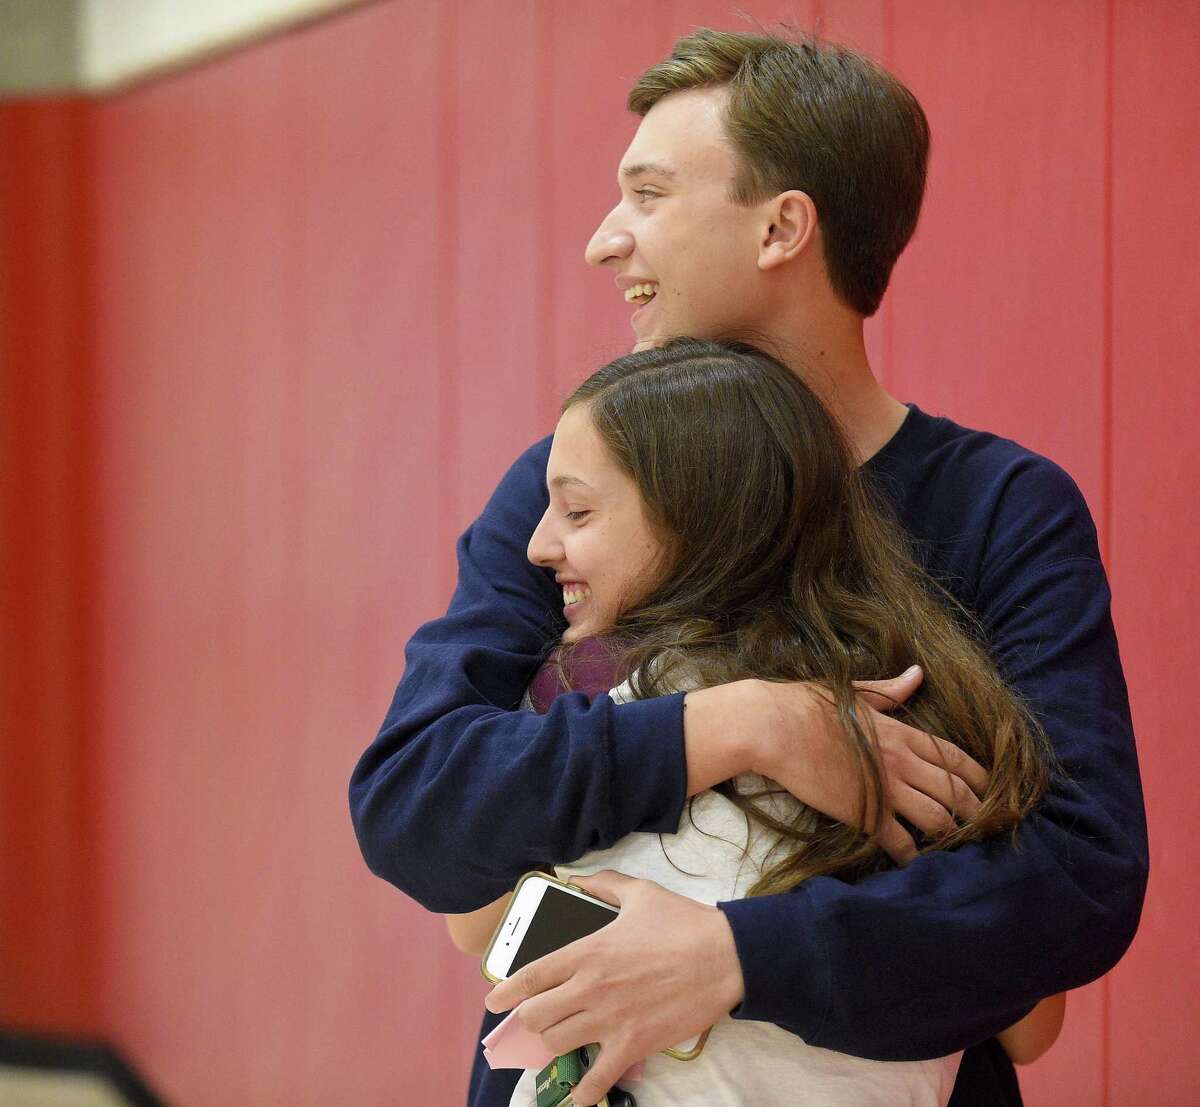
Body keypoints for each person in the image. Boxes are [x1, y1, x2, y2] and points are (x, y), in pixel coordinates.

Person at [349, 28, 1146, 1107]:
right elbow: (420, 808)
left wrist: (731, 957)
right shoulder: (563, 484)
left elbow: (1075, 891)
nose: (603, 242)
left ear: (782, 228)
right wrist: (744, 727)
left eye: (649, 194)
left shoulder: (1002, 508)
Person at [445, 339, 1067, 1106]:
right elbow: (1032, 1019)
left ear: (696, 518)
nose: (538, 546)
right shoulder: (937, 711)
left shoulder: (578, 703)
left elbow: (470, 913)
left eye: (577, 509)